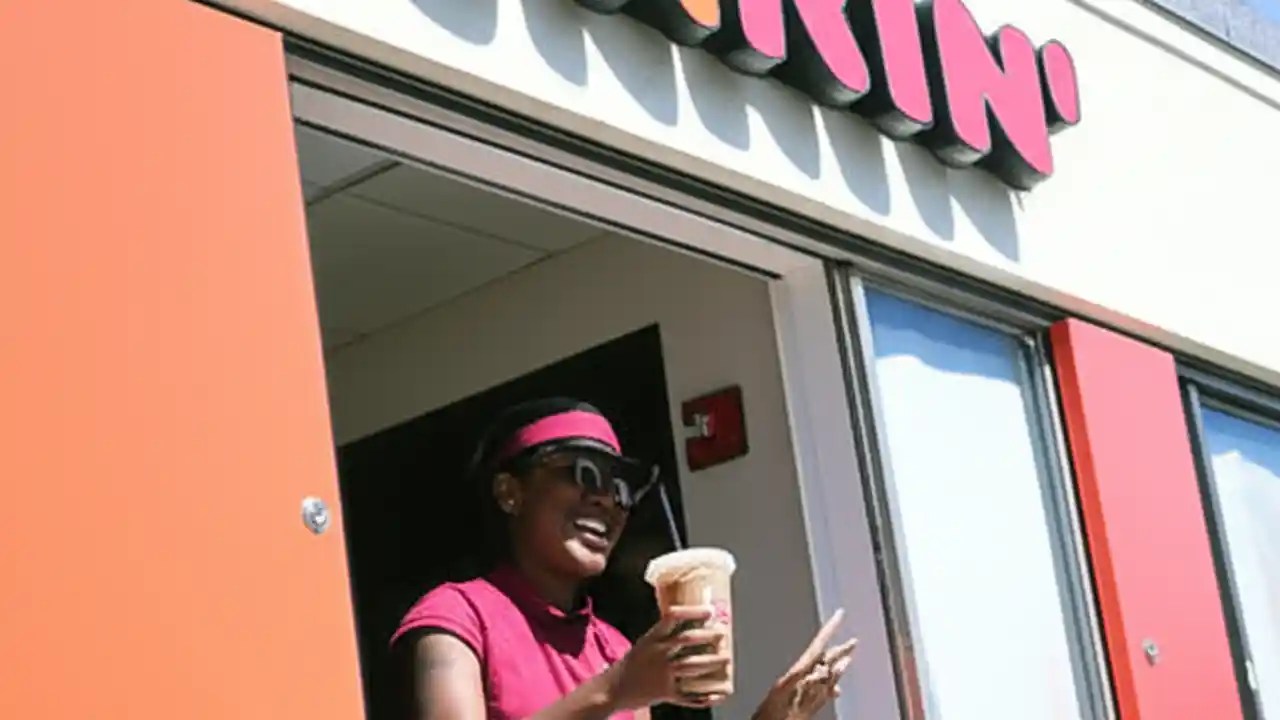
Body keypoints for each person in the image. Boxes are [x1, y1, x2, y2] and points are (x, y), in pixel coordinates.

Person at [391, 398, 856, 720]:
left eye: (621, 488)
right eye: (582, 473)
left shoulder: (613, 648)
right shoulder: (458, 615)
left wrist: (773, 717)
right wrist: (615, 690)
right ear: (510, 492)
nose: (606, 500)